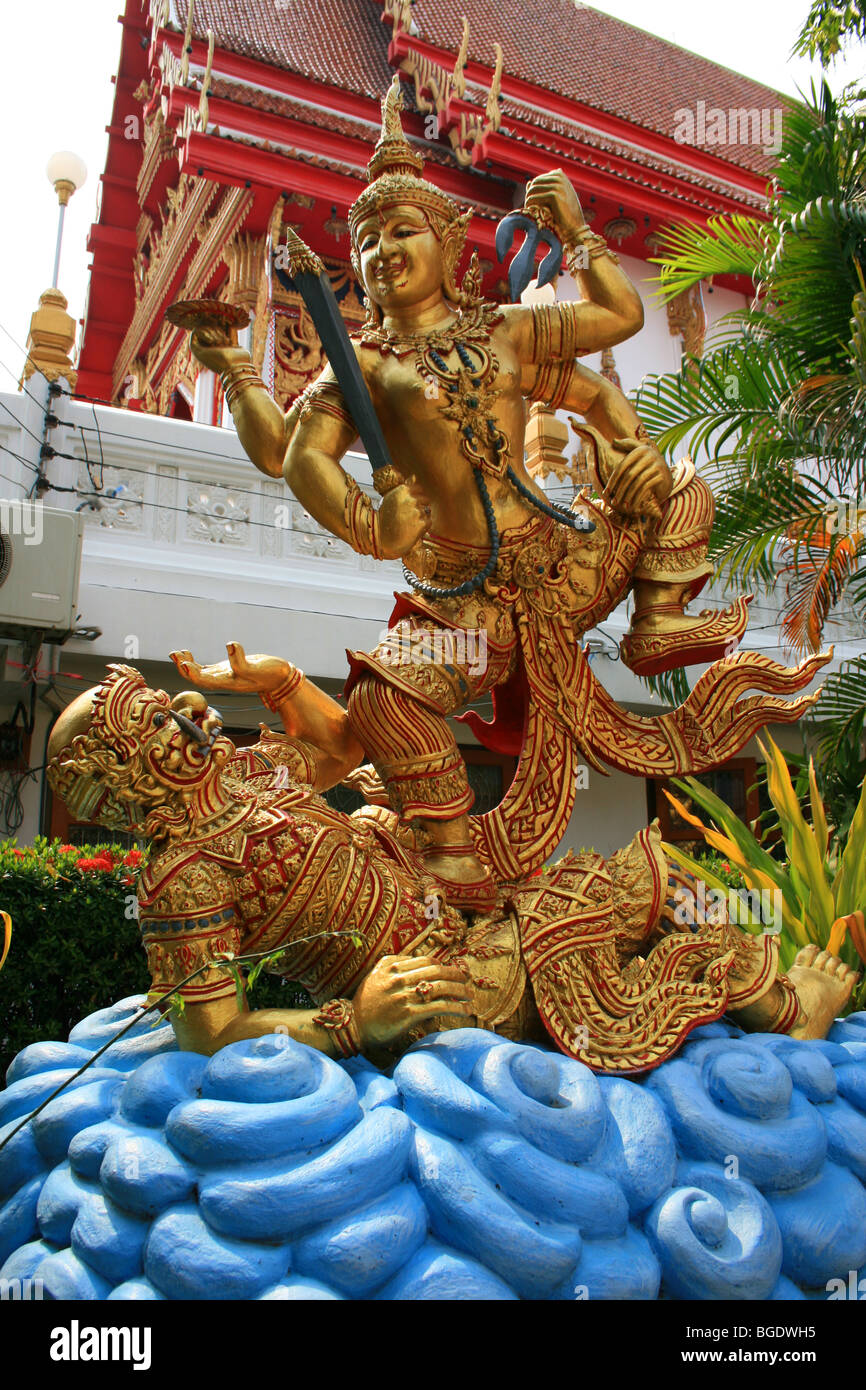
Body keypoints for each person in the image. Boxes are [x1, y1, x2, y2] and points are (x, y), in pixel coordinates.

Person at [188, 78, 751, 907]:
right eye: (367, 239)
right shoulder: (364, 367)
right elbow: (299, 458)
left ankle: (659, 618)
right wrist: (369, 523)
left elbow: (619, 324)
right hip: (468, 606)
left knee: (681, 485)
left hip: (565, 561)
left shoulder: (506, 330)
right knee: (381, 699)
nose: (382, 250)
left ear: (449, 246)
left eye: (402, 230)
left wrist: (580, 239)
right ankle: (452, 855)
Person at [45, 649, 859, 1072]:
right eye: (154, 722)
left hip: (474, 919)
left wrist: (285, 682)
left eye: (167, 700)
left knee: (653, 885)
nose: (187, 707)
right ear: (127, 780)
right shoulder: (182, 878)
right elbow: (211, 1035)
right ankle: (792, 1012)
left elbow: (340, 746)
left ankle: (770, 996)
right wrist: (355, 1022)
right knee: (651, 891)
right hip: (444, 993)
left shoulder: (250, 777)